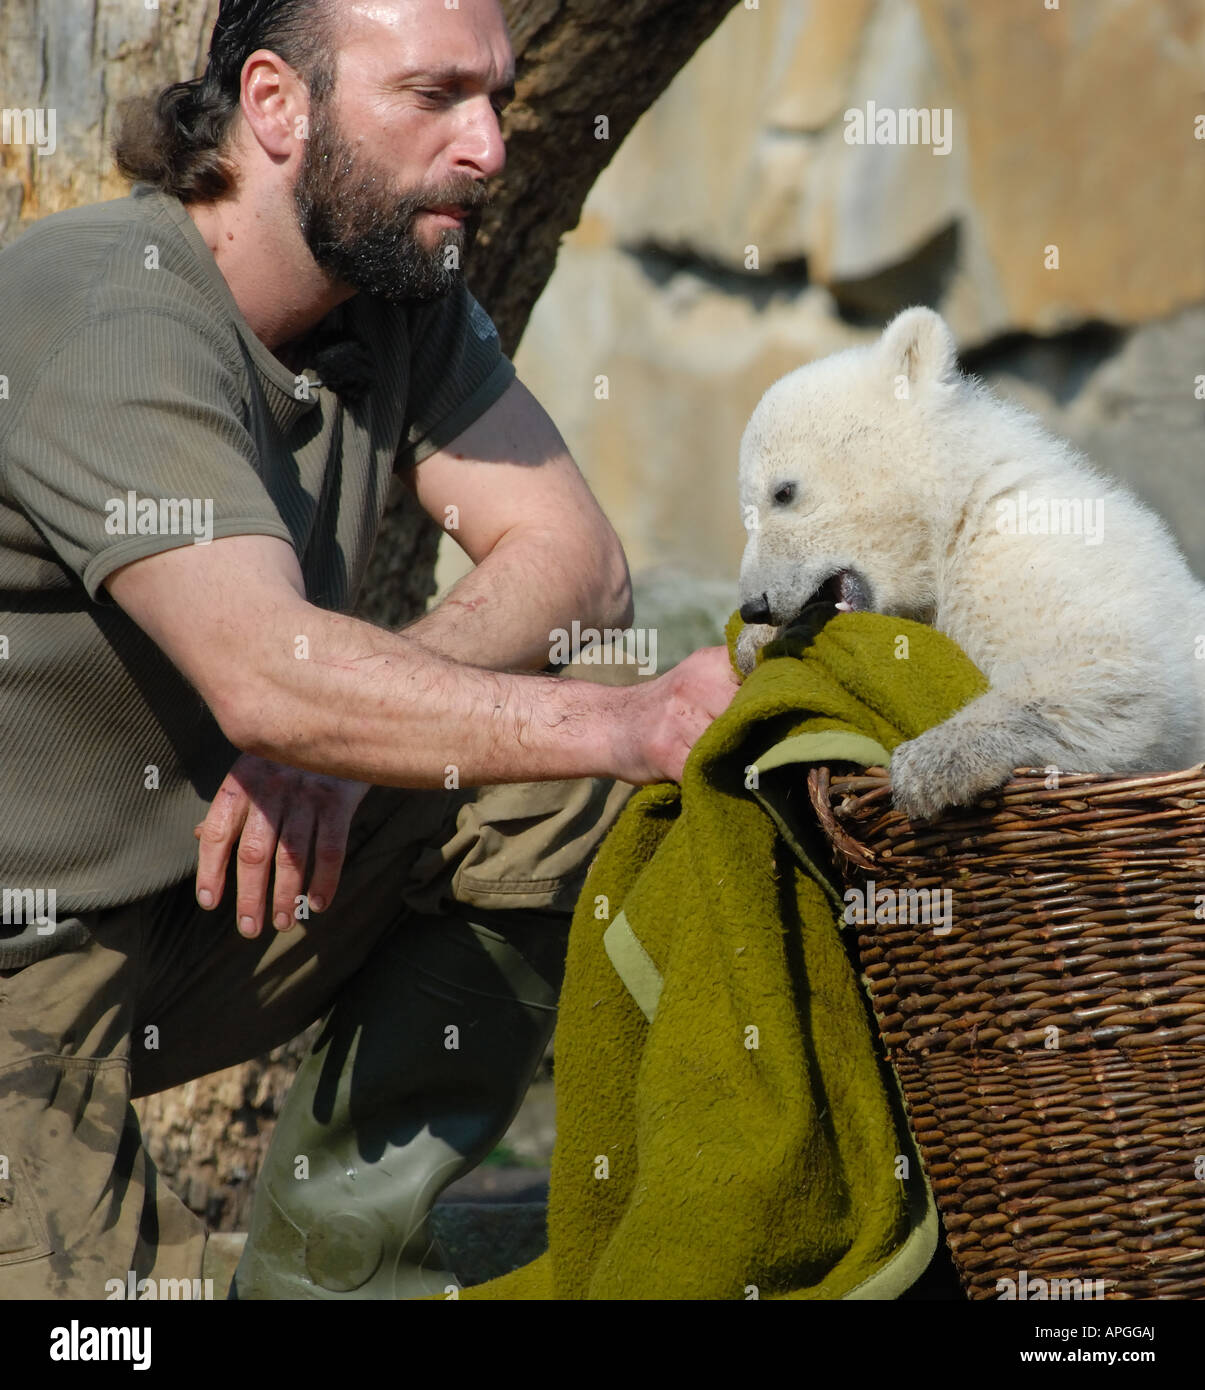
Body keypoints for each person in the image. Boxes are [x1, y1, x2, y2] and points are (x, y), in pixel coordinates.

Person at [0, 0, 739, 1299]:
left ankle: (336, 1274)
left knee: (540, 782)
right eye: (436, 96)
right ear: (277, 105)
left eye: (499, 98)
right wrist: (629, 727)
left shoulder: (389, 292)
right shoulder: (105, 309)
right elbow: (266, 672)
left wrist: (346, 749)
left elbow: (579, 564)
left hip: (187, 919)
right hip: (21, 979)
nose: (491, 146)